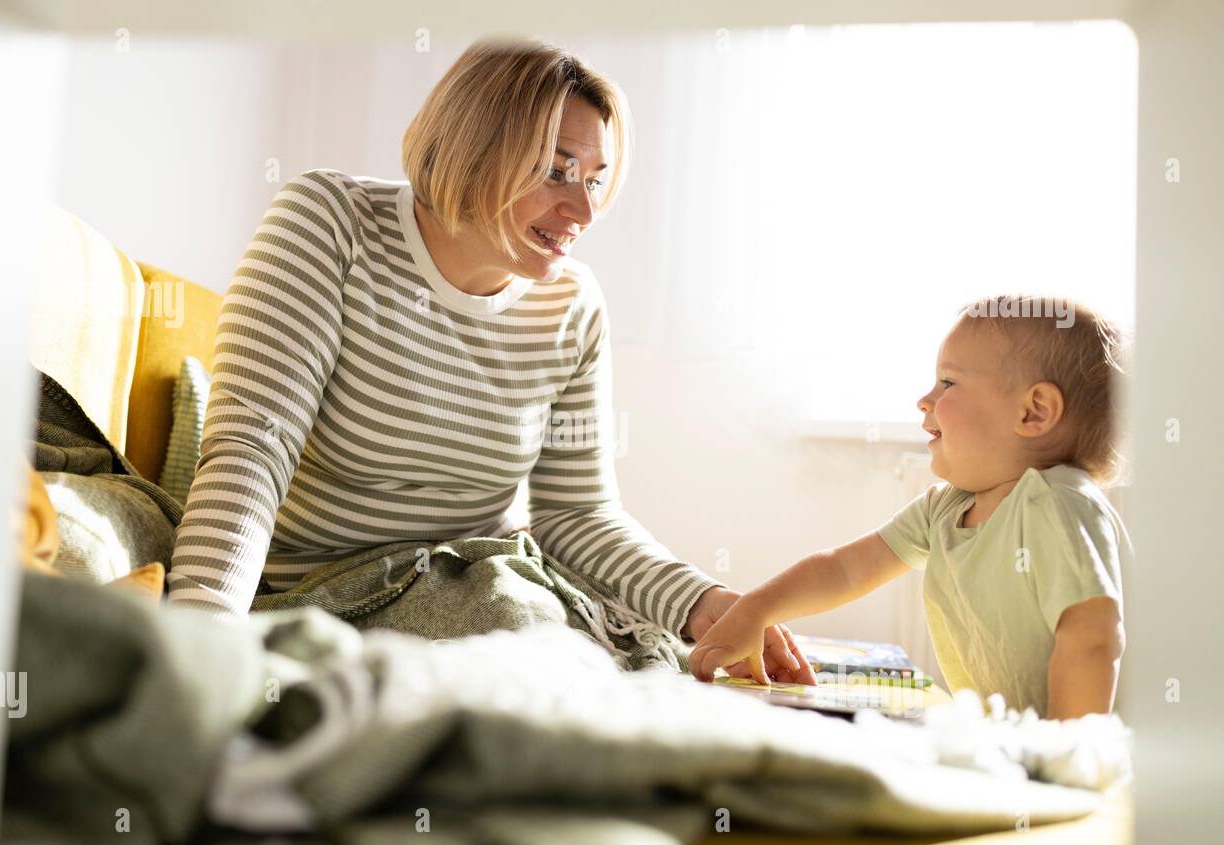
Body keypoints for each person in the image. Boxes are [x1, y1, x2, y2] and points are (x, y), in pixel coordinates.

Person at [164, 37, 813, 682]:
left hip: (488, 583)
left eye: (595, 180)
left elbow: (576, 514)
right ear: (476, 150)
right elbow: (254, 448)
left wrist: (706, 604)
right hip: (334, 593)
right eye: (557, 172)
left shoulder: (573, 305)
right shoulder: (332, 223)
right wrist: (203, 639)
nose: (583, 211)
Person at [690, 296, 1133, 718]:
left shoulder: (1058, 503)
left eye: (948, 382)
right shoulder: (946, 508)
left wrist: (1068, 752)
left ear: (1034, 411)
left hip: (1073, 745)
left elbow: (1093, 635)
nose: (925, 399)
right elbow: (845, 569)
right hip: (1006, 739)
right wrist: (755, 609)